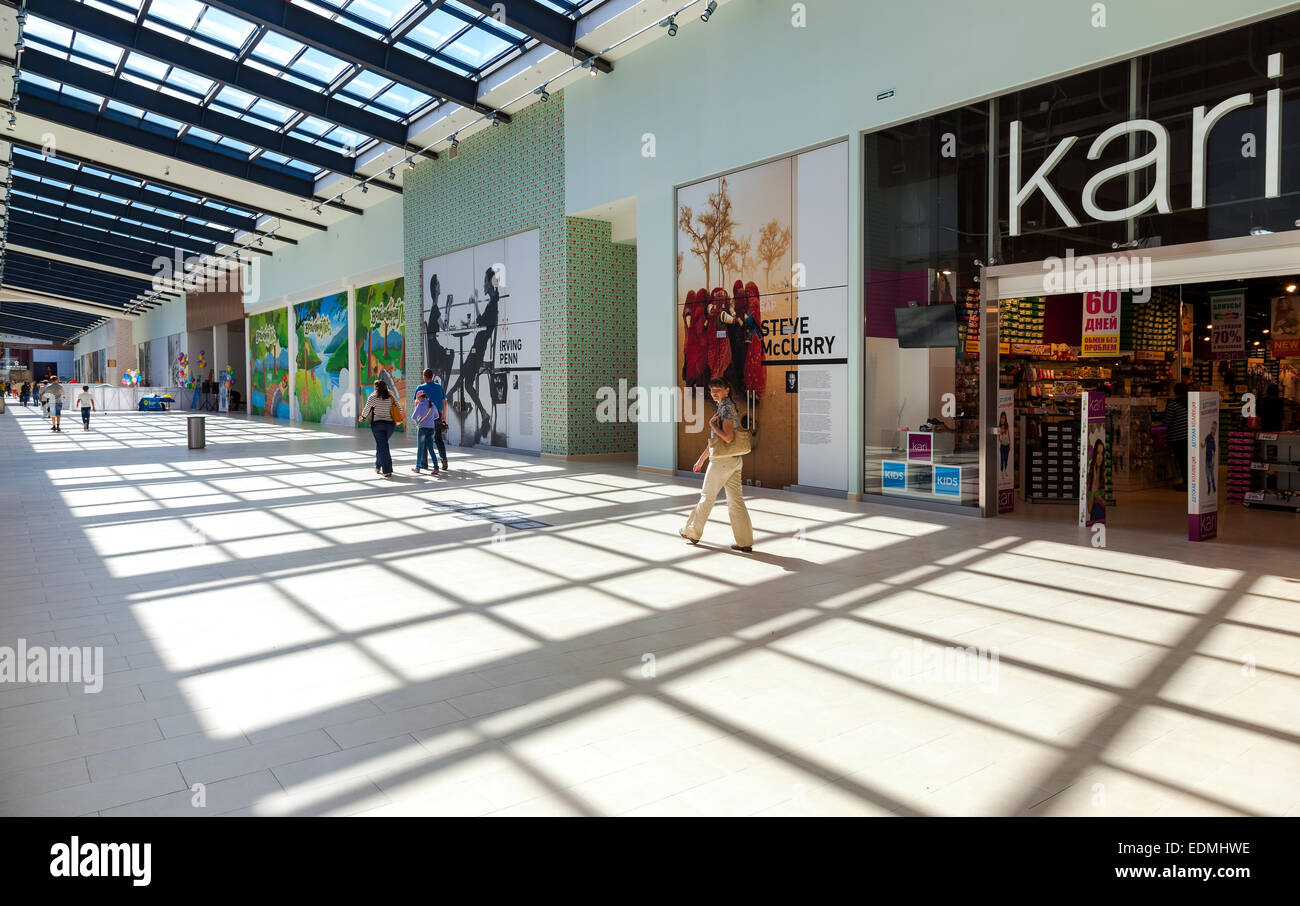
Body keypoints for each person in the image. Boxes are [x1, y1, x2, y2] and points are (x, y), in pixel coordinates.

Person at [679, 377, 755, 553]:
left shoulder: (726, 408)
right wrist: (701, 460)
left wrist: (712, 424)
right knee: (736, 501)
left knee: (707, 496)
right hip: (733, 461)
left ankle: (693, 532)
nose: (714, 393)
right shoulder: (724, 407)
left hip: (722, 462)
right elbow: (716, 442)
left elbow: (727, 437)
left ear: (727, 390)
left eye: (718, 390)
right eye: (712, 390)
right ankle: (745, 541)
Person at [359, 380, 402, 477]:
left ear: (376, 387)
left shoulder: (373, 397)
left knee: (383, 446)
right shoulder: (391, 397)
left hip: (378, 425)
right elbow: (399, 409)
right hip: (390, 426)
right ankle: (378, 466)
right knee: (382, 445)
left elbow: (366, 409)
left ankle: (387, 470)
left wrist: (363, 417)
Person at [414, 367, 448, 471]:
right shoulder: (438, 387)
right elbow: (444, 402)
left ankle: (424, 464)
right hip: (437, 415)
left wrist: (418, 419)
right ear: (432, 376)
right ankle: (444, 460)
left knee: (423, 440)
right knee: (438, 439)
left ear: (424, 377)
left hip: (425, 418)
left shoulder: (420, 388)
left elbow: (416, 403)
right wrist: (443, 416)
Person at [410, 388, 442, 475]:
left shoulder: (420, 405)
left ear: (420, 398)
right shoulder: (432, 404)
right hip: (431, 429)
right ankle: (436, 468)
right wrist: (429, 420)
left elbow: (413, 417)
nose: (418, 400)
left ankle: (417, 467)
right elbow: (436, 416)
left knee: (420, 449)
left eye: (418, 398)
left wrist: (418, 422)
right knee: (431, 449)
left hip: (422, 429)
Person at [1164, 382, 1189, 491]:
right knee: (1187, 461)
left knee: (1182, 461)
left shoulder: (1173, 405)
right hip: (1189, 436)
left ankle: (1185, 484)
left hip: (1177, 438)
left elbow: (1166, 422)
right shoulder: (1190, 403)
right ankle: (1189, 483)